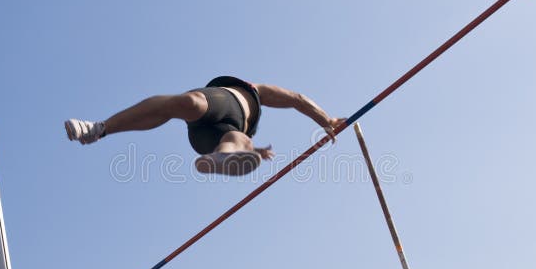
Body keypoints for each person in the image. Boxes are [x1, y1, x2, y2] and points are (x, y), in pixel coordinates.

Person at [65, 76, 345, 176]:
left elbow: (296, 100)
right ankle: (99, 129)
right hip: (217, 111)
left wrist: (326, 120)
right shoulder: (249, 90)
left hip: (213, 138)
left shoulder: (256, 102)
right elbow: (297, 99)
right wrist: (326, 120)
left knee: (239, 139)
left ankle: (223, 157)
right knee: (191, 103)